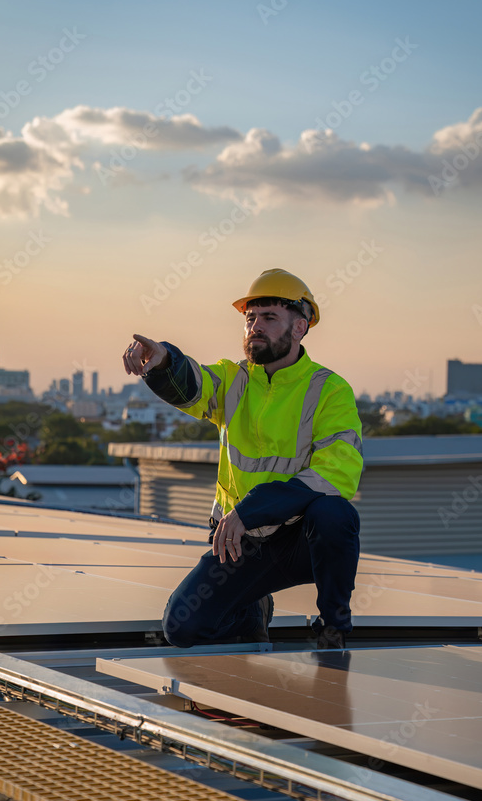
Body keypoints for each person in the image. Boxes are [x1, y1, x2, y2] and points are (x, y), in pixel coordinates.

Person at [122, 268, 363, 649]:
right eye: (250, 318)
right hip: (241, 543)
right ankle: (253, 610)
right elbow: (194, 384)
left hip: (299, 539)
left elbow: (337, 475)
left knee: (336, 516)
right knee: (183, 627)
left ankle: (332, 627)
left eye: (269, 318)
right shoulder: (234, 380)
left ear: (300, 327)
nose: (255, 327)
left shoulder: (330, 391)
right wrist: (163, 359)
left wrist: (252, 509)